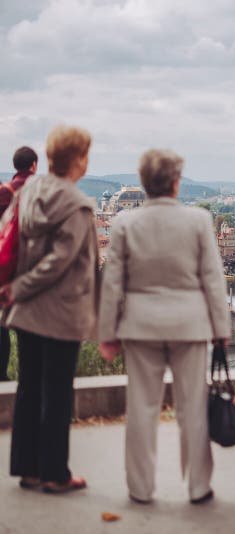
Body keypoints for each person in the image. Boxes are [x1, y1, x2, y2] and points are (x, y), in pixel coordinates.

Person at [98, 149, 229, 504]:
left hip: (141, 325)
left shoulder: (125, 224)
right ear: (176, 182)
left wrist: (107, 333)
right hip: (189, 324)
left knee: (142, 409)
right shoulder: (198, 220)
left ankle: (140, 488)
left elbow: (113, 283)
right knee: (193, 407)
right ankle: (198, 486)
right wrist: (221, 328)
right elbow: (213, 280)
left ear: (144, 184)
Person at [0, 126, 98, 492]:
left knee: (29, 388)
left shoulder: (29, 192)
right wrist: (19, 288)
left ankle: (27, 468)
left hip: (27, 311)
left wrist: (15, 289)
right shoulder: (76, 205)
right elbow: (60, 262)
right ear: (78, 160)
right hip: (60, 311)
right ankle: (56, 473)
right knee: (57, 392)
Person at [0, 146, 37, 381]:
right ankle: (29, 376)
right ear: (34, 165)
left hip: (6, 265)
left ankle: (2, 374)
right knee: (30, 328)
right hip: (32, 268)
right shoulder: (40, 191)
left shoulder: (5, 192)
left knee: (2, 323)